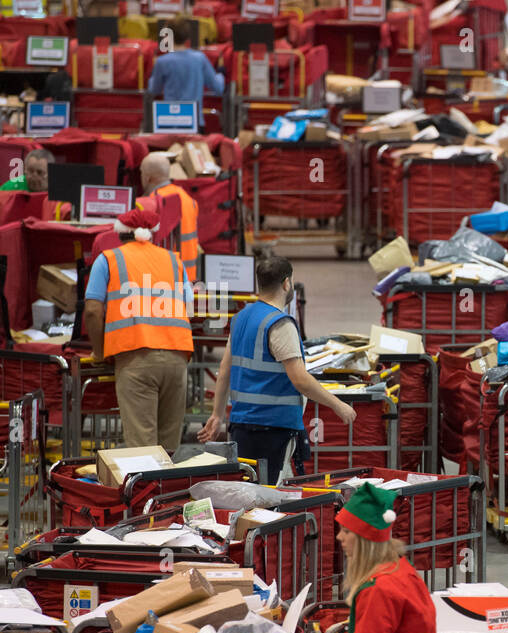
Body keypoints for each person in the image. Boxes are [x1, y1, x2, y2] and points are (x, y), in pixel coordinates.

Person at [299, 483, 454, 633]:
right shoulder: (400, 569)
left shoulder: (378, 589)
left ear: (363, 539)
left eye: (347, 532)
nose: (340, 538)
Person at [197, 256, 356, 483]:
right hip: (273, 428)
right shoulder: (280, 324)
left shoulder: (241, 318)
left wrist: (217, 414)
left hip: (242, 425)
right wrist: (338, 404)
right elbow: (300, 379)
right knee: (267, 496)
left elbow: (224, 369)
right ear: (286, 283)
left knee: (249, 492)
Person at [82, 207, 194, 453]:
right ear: (152, 234)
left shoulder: (108, 259)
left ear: (120, 235)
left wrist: (100, 353)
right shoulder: (175, 261)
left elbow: (92, 310)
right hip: (177, 360)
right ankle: (168, 490)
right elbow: (188, 305)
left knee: (143, 452)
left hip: (136, 359)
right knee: (168, 451)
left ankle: (146, 492)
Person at [138, 151, 202, 282]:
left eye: (142, 173)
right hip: (189, 276)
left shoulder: (153, 203)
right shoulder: (188, 199)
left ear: (148, 177)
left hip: (167, 277)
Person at [147, 14, 225, 111]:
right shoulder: (200, 58)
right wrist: (221, 72)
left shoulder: (162, 62)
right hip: (194, 120)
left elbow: (154, 90)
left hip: (169, 119)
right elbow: (218, 88)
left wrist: (152, 75)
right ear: (188, 36)